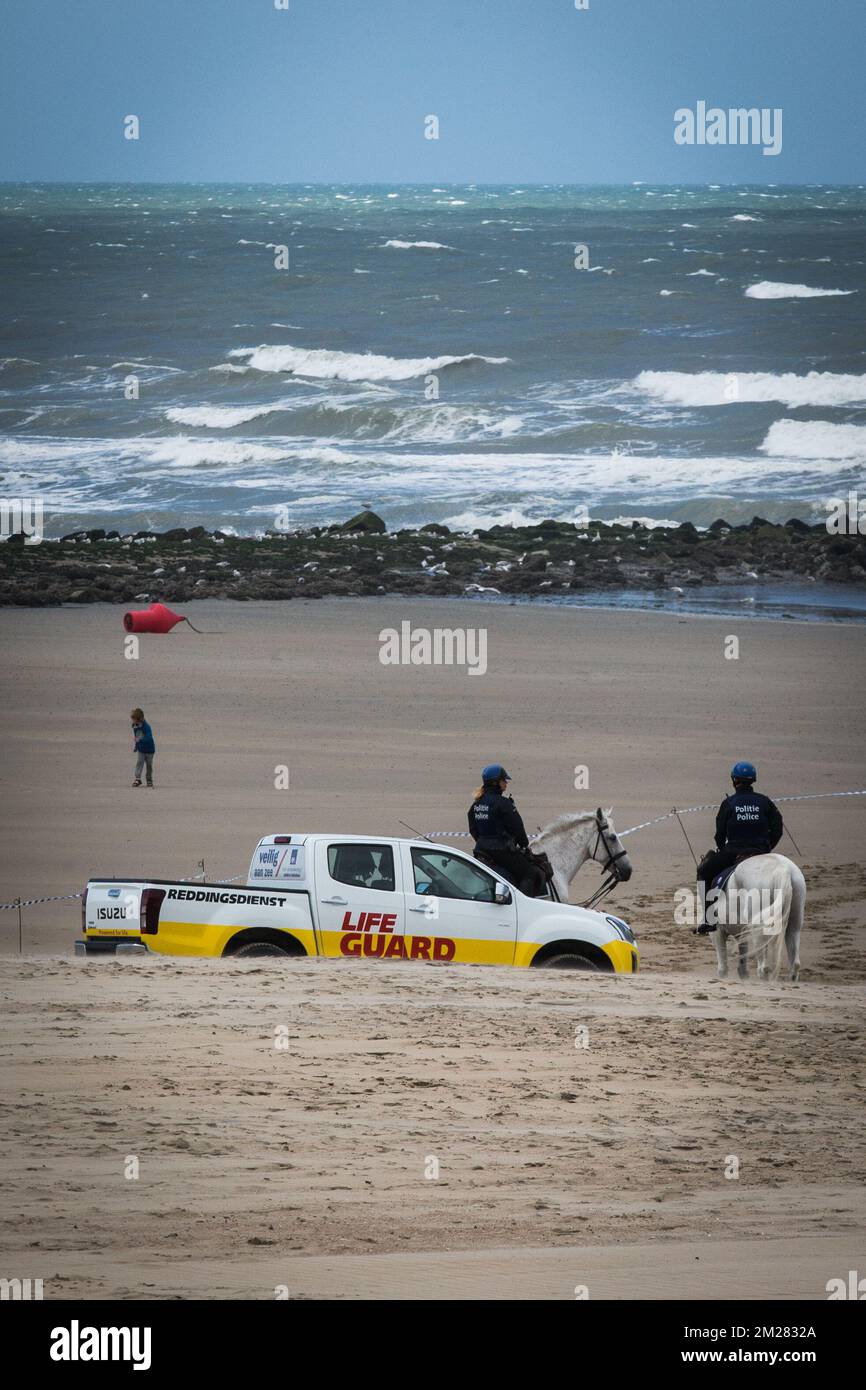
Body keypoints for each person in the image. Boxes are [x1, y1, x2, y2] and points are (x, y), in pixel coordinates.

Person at [695, 760, 783, 933]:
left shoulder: (729, 803)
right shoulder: (765, 801)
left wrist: (721, 849)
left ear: (734, 780)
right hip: (760, 851)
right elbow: (778, 829)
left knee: (704, 871)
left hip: (734, 851)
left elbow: (719, 834)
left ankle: (709, 919)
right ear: (753, 780)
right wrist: (766, 848)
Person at [467, 764, 547, 897]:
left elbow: (473, 828)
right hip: (501, 851)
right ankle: (522, 907)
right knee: (529, 873)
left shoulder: (477, 804)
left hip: (481, 850)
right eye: (504, 780)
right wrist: (523, 844)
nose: (506, 784)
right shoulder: (503, 803)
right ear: (495, 782)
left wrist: (482, 840)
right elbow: (517, 827)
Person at [130, 707, 156, 788]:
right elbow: (136, 736)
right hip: (141, 749)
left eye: (134, 719)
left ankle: (149, 780)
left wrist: (140, 740)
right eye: (132, 719)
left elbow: (148, 737)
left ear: (139, 719)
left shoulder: (146, 727)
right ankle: (138, 779)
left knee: (149, 765)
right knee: (139, 763)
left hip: (150, 749)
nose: (133, 721)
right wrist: (136, 746)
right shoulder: (135, 726)